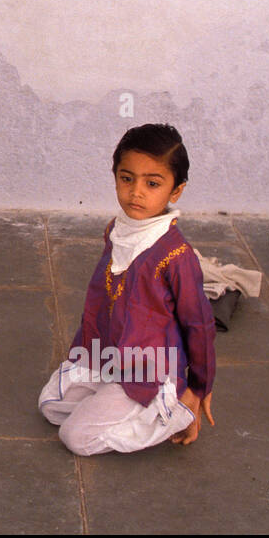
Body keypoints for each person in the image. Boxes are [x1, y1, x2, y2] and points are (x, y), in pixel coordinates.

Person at [38, 124, 217, 455]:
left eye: (152, 183)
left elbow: (200, 324)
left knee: (75, 438)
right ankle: (114, 398)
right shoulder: (115, 230)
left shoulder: (176, 257)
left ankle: (173, 411)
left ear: (175, 191)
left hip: (149, 369)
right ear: (115, 176)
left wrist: (198, 387)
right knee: (50, 405)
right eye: (127, 178)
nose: (136, 192)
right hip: (109, 356)